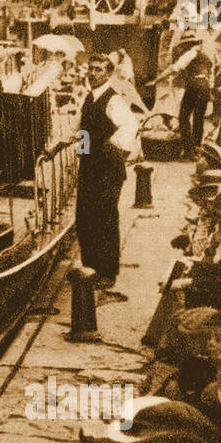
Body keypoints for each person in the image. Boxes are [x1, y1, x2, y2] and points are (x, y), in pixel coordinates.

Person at [76, 52, 139, 293]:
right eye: (90, 69)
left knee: (104, 218)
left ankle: (107, 272)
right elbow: (82, 128)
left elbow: (130, 126)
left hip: (107, 169)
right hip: (90, 167)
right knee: (84, 217)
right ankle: (89, 267)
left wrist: (111, 150)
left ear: (109, 73)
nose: (92, 73)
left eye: (98, 70)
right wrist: (79, 151)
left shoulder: (114, 100)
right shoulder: (89, 98)